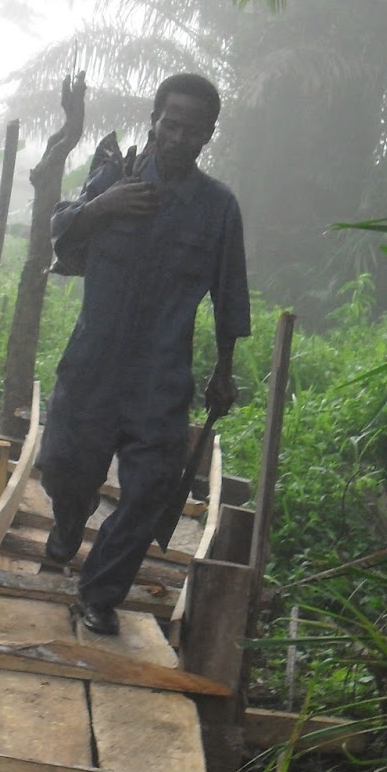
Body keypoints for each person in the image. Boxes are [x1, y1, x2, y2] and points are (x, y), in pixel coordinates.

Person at [39, 73, 250, 635]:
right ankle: (69, 522)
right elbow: (60, 234)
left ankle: (99, 593)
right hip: (93, 362)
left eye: (192, 130)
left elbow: (230, 294)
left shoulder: (218, 208)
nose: (179, 138)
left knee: (151, 488)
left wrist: (224, 370)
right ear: (155, 121)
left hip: (160, 373)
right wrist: (102, 206)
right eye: (170, 125)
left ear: (208, 135)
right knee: (62, 466)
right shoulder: (116, 175)